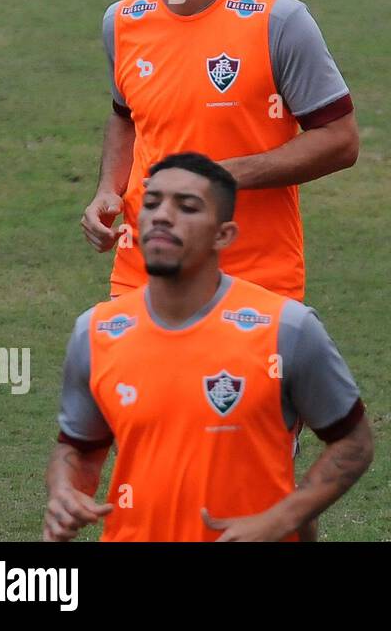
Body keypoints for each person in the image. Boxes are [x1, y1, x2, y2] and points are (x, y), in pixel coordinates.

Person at [48, 152, 372, 541]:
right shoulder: (96, 332)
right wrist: (65, 490)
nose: (162, 216)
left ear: (224, 235)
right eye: (151, 203)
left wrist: (281, 519)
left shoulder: (287, 328)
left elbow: (354, 443)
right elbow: (78, 448)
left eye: (187, 206)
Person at [81, 0, 359, 301]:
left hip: (252, 286)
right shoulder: (124, 20)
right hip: (141, 280)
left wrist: (222, 176)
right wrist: (107, 192)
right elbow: (126, 116)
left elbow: (340, 141)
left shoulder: (278, 19)